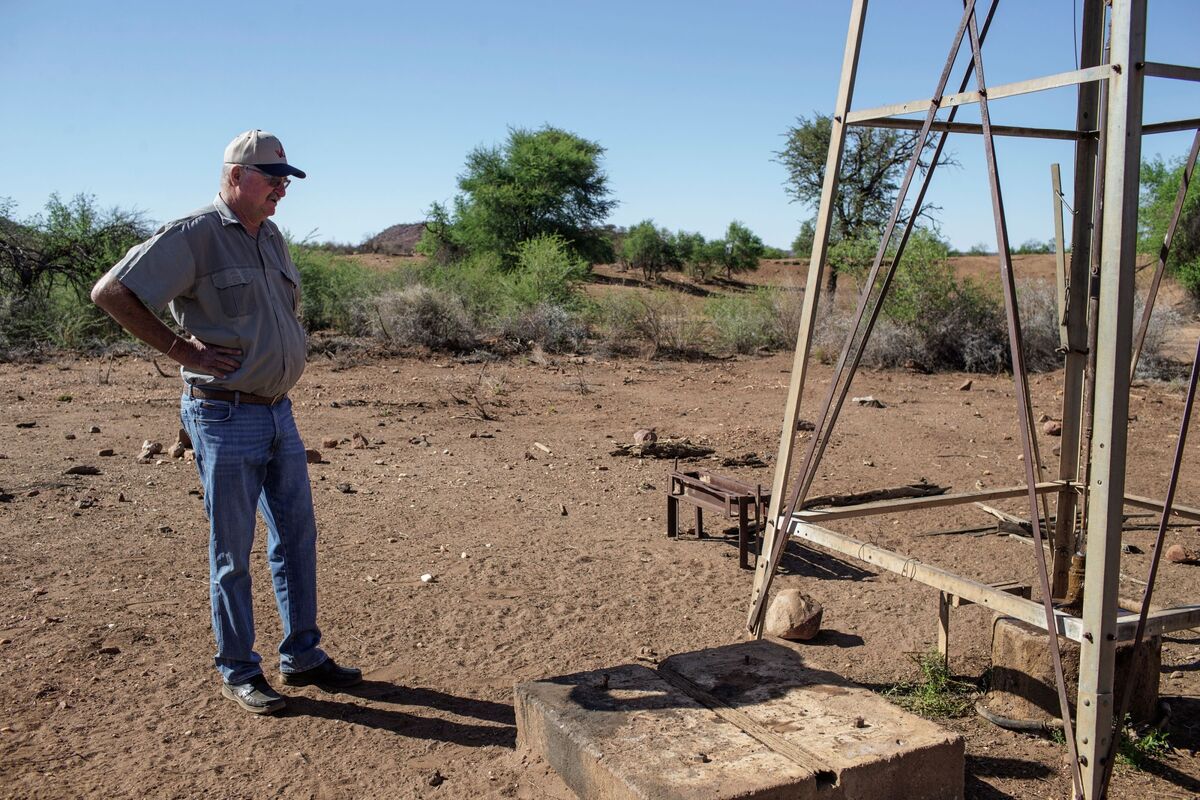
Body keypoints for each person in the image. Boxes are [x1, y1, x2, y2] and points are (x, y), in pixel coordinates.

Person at [91, 129, 361, 715]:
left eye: (286, 178)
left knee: (296, 538)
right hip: (224, 413)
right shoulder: (194, 236)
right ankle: (240, 669)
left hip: (277, 413)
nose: (281, 189)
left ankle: (304, 657)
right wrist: (182, 352)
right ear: (236, 177)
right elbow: (111, 291)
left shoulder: (272, 237)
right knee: (232, 550)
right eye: (271, 177)